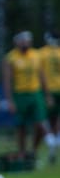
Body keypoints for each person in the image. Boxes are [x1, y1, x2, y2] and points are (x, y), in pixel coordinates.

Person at [2, 31, 57, 162]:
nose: (26, 43)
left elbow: (42, 76)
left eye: (28, 41)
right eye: (23, 41)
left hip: (35, 93)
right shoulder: (11, 57)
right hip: (20, 94)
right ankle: (22, 152)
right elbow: (7, 80)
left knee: (40, 122)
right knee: (20, 125)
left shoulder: (36, 55)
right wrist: (9, 100)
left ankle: (36, 149)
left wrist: (47, 95)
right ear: (17, 42)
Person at [40, 30, 60, 160]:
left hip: (47, 89)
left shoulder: (41, 53)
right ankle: (54, 142)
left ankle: (51, 143)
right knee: (56, 119)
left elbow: (39, 73)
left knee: (45, 119)